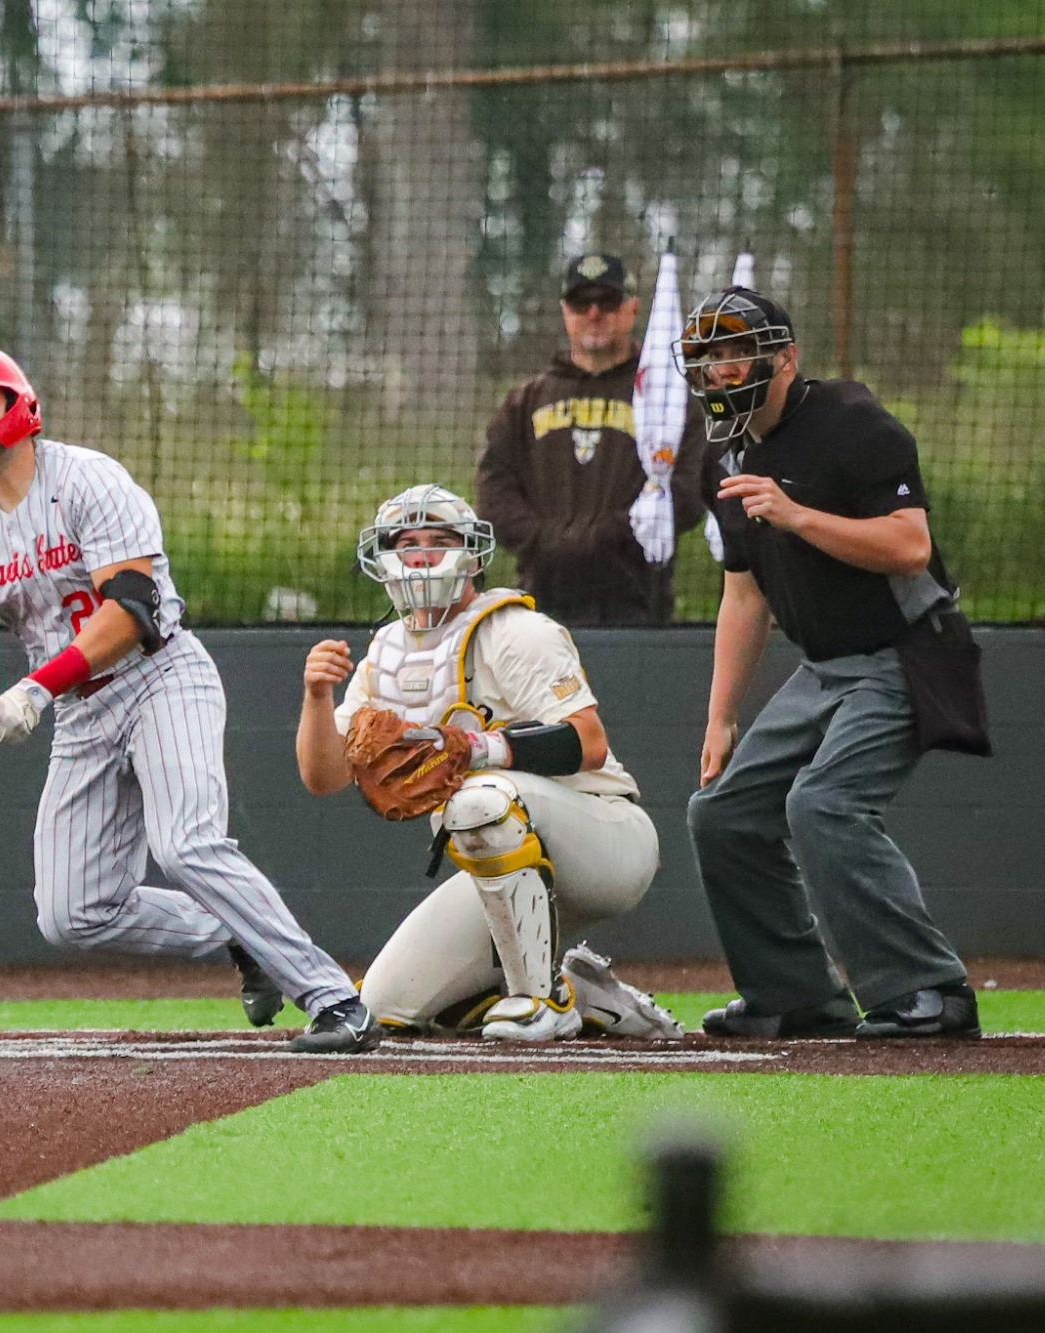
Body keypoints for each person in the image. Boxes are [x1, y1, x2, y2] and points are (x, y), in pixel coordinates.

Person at [0, 346, 382, 1055]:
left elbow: (133, 606)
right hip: (80, 710)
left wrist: (32, 690)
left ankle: (336, 999)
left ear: (19, 403)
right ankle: (239, 929)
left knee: (187, 843)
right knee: (70, 914)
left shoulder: (88, 478)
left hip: (159, 677)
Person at [680, 287, 981, 1040]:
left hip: (908, 652)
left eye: (734, 351)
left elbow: (910, 545)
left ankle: (932, 992)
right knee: (724, 813)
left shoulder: (852, 422)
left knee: (824, 804)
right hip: (823, 667)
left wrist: (795, 513)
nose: (719, 370)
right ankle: (794, 995)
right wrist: (721, 716)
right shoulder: (724, 455)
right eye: (707, 356)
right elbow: (744, 597)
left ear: (784, 357)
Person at [294, 483, 682, 1042]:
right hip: (498, 853)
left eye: (438, 540)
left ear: (473, 554)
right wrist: (316, 697)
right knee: (387, 1006)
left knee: (477, 798)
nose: (421, 555)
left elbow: (588, 743)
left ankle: (539, 1000)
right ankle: (583, 991)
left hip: (605, 840)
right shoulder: (385, 652)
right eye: (406, 543)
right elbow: (324, 778)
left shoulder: (516, 629)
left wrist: (476, 748)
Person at [475, 253, 716, 625]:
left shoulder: (668, 399)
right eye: (580, 302)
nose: (594, 313)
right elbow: (494, 491)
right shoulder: (525, 401)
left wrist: (610, 537)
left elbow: (688, 490)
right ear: (564, 311)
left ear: (632, 309)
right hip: (539, 603)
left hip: (637, 602)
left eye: (607, 301)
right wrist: (546, 540)